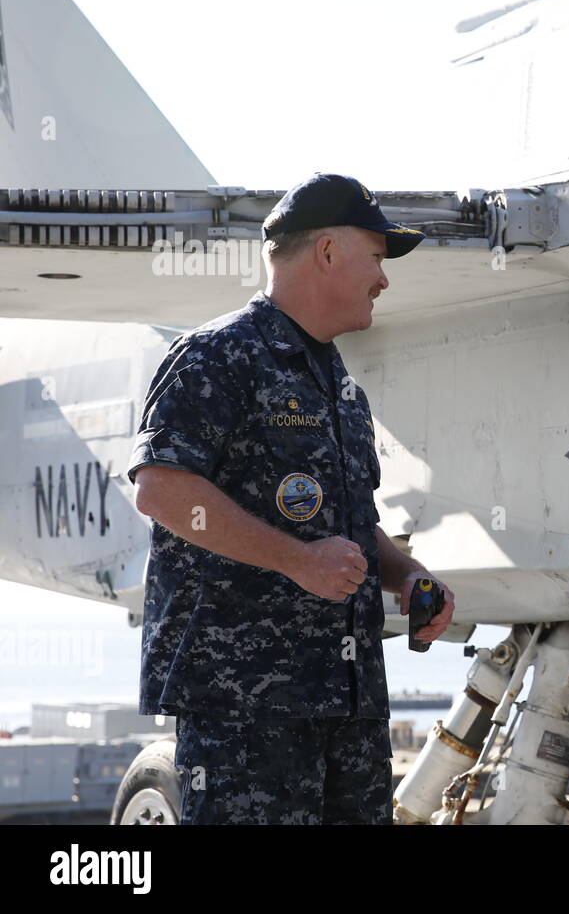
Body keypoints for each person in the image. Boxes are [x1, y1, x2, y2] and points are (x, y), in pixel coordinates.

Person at [127, 172, 455, 824]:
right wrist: (296, 560)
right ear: (328, 252)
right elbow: (163, 493)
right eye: (377, 258)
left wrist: (408, 575)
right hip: (247, 714)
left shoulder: (338, 382)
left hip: (350, 707)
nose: (384, 280)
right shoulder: (217, 357)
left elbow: (350, 525)